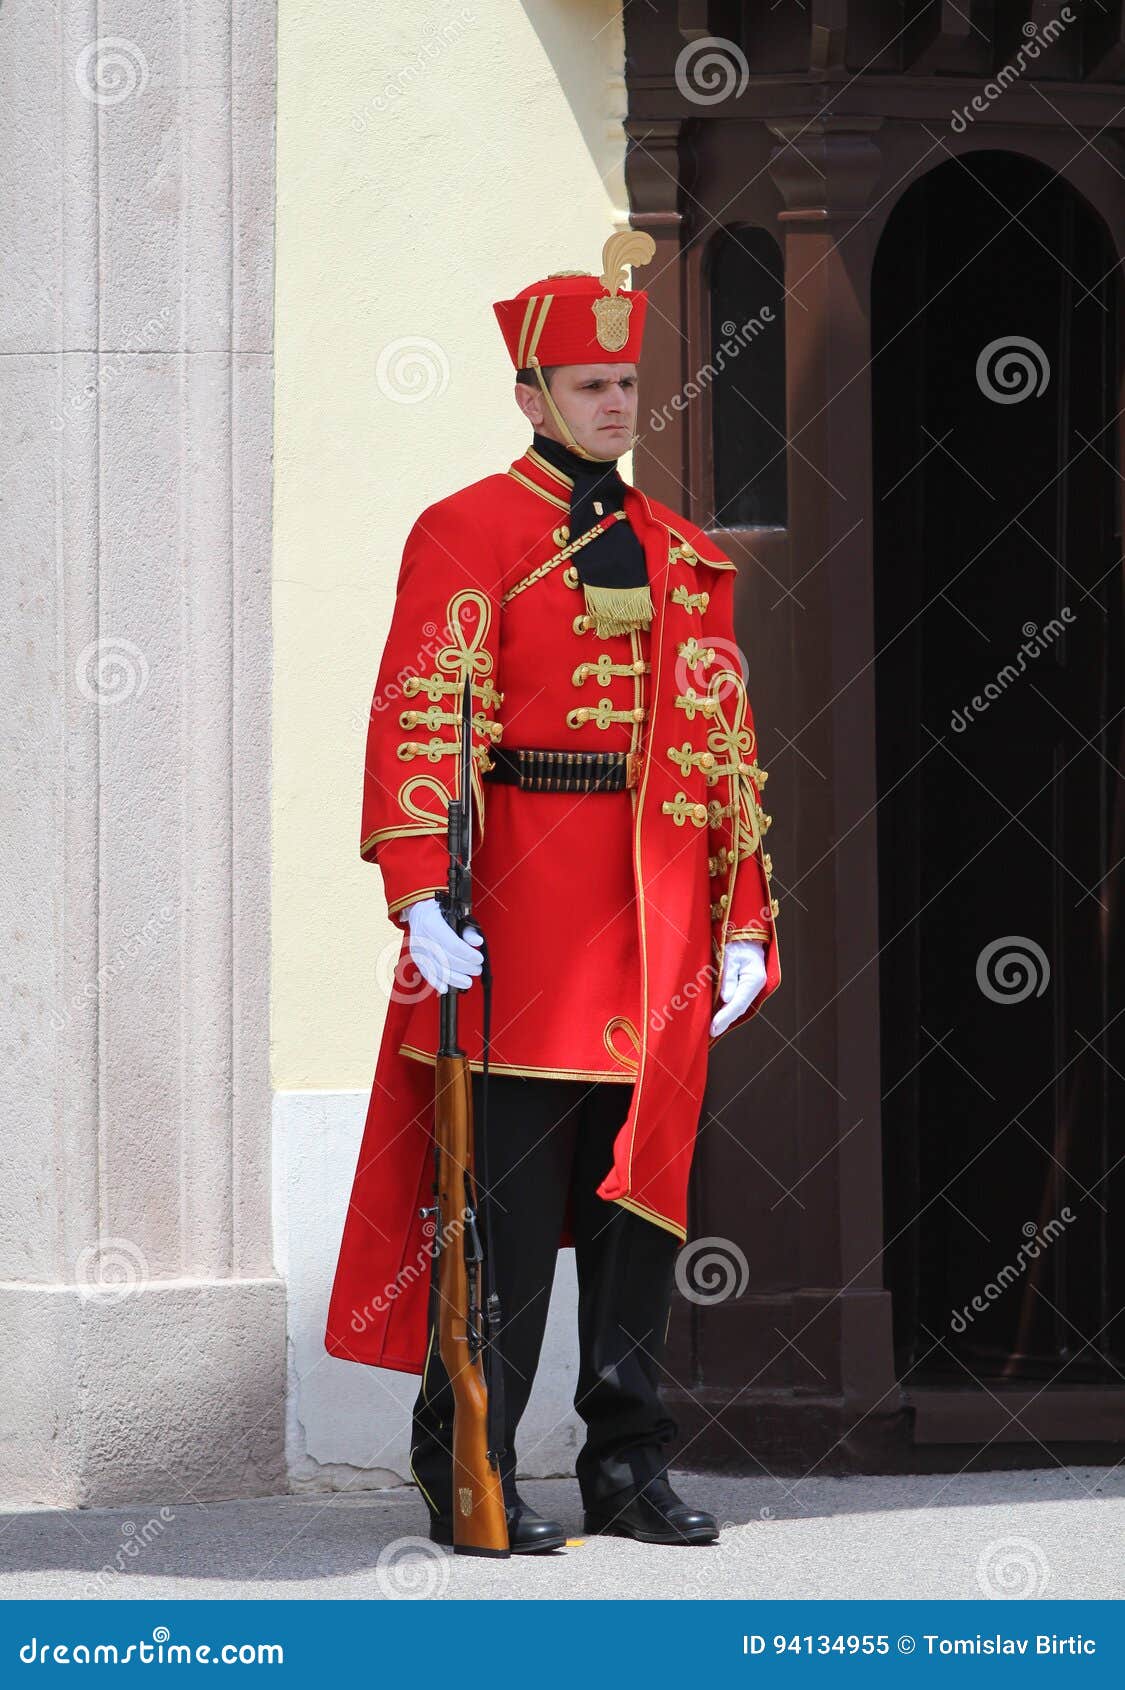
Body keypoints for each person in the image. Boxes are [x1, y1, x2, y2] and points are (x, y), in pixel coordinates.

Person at [325, 229, 781, 1553]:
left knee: (641, 1206)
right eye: (585, 386)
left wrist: (743, 913)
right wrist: (420, 890)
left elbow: (723, 738)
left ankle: (628, 1467)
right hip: (523, 914)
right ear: (529, 396)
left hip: (658, 926)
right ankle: (466, 1460)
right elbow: (420, 709)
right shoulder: (468, 529)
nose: (613, 403)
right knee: (506, 1226)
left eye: (625, 385)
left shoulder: (682, 550)